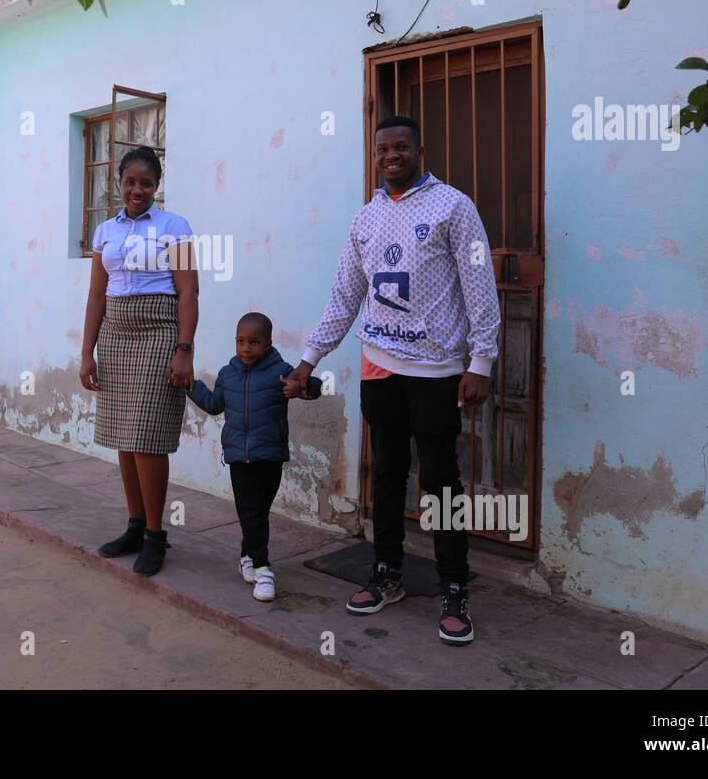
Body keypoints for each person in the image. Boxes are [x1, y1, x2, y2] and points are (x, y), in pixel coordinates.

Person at [284, 115, 500, 646]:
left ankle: (453, 587)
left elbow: (480, 285)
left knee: (442, 480)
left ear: (419, 150)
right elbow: (344, 297)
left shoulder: (454, 207)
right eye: (383, 149)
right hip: (379, 365)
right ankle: (387, 572)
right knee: (385, 474)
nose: (391, 156)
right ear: (375, 155)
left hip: (436, 369)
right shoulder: (366, 219)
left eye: (401, 147)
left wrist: (481, 363)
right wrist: (310, 358)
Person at [79, 146, 198, 577]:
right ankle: (133, 526)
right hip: (115, 335)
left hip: (158, 332)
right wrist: (86, 351)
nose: (138, 189)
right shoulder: (105, 231)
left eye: (146, 182)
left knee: (147, 436)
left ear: (156, 185)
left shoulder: (175, 227)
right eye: (131, 181)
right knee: (124, 437)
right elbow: (96, 294)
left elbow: (188, 292)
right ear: (119, 183)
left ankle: (155, 535)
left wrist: (184, 350)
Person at [186, 312, 322, 602]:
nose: (246, 348)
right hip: (238, 457)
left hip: (270, 455)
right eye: (241, 341)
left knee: (258, 511)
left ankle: (247, 554)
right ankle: (262, 569)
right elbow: (213, 405)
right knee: (252, 512)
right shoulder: (227, 373)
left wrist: (303, 388)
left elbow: (314, 386)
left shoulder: (281, 371)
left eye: (254, 342)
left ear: (269, 343)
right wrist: (190, 386)